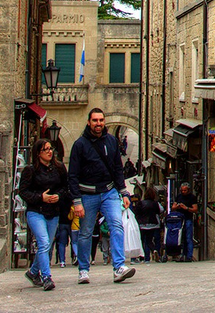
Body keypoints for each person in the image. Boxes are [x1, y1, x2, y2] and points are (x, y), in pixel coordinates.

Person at [68, 108, 135, 284]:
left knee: (116, 225)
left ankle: (119, 266)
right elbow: (72, 175)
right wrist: (77, 201)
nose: (98, 124)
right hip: (87, 194)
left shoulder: (111, 141)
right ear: (89, 122)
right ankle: (83, 269)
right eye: (95, 120)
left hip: (109, 192)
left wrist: (124, 192)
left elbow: (117, 169)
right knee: (85, 233)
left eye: (101, 120)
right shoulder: (79, 145)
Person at [20, 137, 70, 291]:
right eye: (45, 149)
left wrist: (58, 196)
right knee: (43, 242)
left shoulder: (59, 168)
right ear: (38, 153)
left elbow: (65, 187)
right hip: (36, 211)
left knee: (47, 245)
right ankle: (46, 276)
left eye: (50, 149)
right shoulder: (30, 170)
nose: (49, 152)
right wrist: (41, 197)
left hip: (53, 212)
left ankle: (33, 272)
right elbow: (23, 192)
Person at [134, 186, 163, 263]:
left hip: (142, 225)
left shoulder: (140, 203)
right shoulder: (156, 203)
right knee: (149, 241)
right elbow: (161, 210)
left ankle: (145, 258)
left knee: (142, 241)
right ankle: (154, 250)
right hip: (153, 224)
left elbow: (136, 213)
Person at [171, 182, 198, 262]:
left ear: (188, 190)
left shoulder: (192, 198)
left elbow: (195, 209)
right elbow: (173, 207)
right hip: (179, 220)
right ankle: (181, 255)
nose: (183, 192)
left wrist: (186, 208)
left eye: (185, 190)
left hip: (188, 219)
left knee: (188, 238)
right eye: (182, 190)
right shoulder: (179, 197)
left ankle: (189, 256)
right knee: (180, 238)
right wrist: (177, 206)